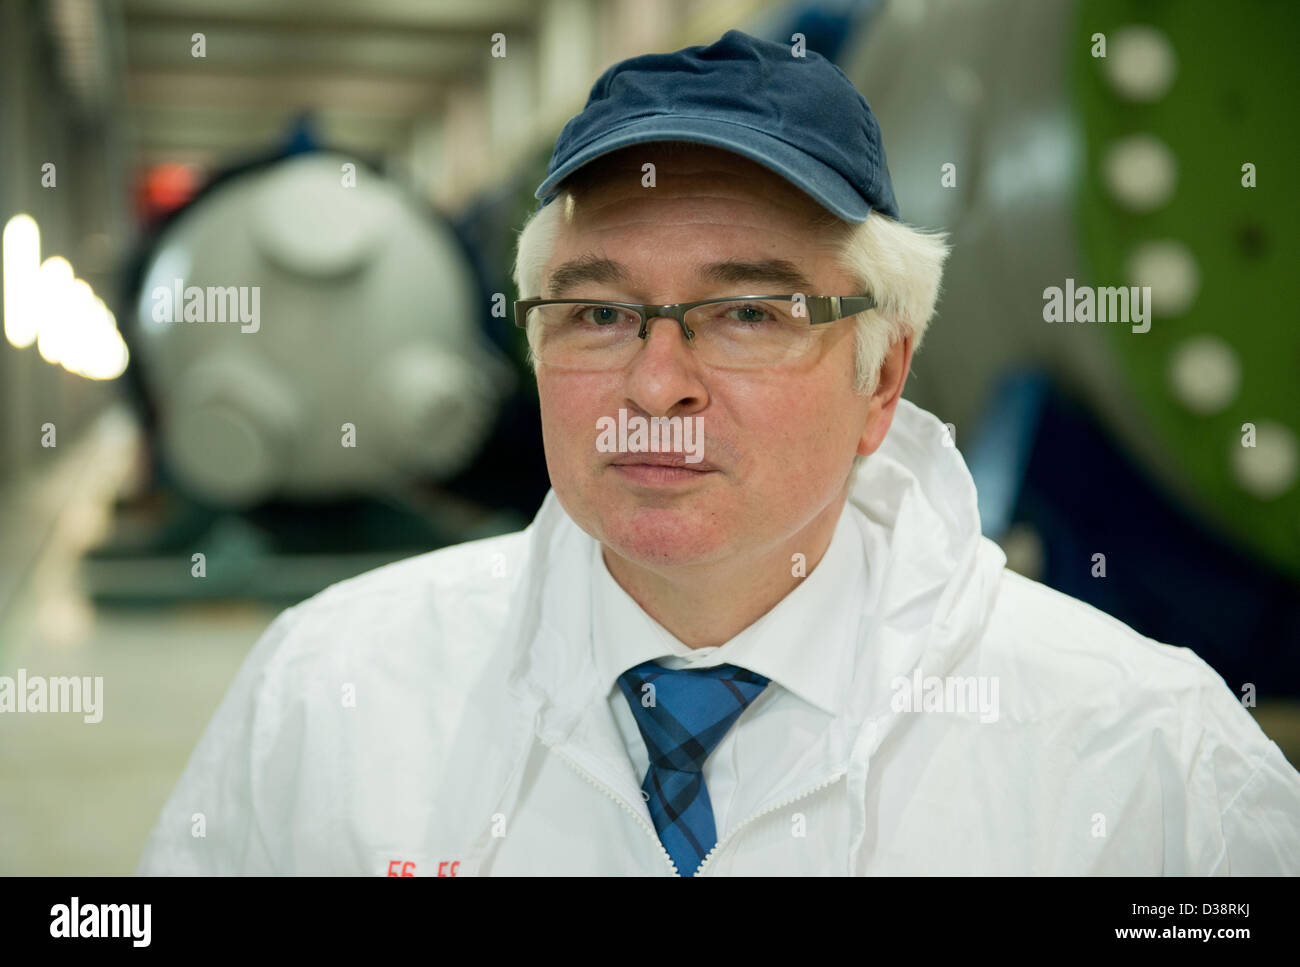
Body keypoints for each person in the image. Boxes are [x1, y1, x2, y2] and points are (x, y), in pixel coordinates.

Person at [137, 30, 1300, 876]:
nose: (656, 382)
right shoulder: (332, 693)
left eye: (749, 313)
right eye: (597, 314)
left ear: (882, 375)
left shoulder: (1139, 755)